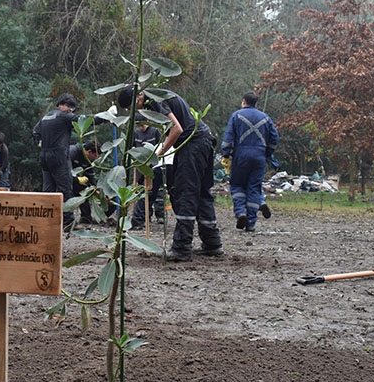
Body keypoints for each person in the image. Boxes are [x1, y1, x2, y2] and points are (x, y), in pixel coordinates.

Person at [118, 86, 223, 262]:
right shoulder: (157, 94)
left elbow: (177, 129)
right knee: (202, 193)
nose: (135, 111)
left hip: (193, 144)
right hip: (203, 141)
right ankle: (212, 243)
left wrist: (158, 155)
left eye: (132, 107)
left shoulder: (155, 99)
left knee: (186, 192)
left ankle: (182, 247)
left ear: (138, 98)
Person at [33, 93, 112, 231]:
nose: (70, 110)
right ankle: (68, 223)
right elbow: (83, 121)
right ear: (61, 105)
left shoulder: (46, 117)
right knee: (65, 189)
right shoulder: (63, 116)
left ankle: (47, 221)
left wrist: (41, 142)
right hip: (59, 156)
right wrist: (105, 116)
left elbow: (35, 132)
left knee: (48, 191)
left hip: (44, 157)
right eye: (69, 107)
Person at [221, 91, 279, 232]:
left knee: (236, 185)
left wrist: (225, 154)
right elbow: (274, 138)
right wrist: (266, 153)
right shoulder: (265, 118)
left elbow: (228, 138)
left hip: (241, 156)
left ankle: (241, 212)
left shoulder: (236, 116)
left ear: (243, 102)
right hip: (259, 157)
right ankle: (251, 223)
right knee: (254, 187)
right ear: (256, 103)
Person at [131, 114, 165, 228]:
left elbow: (162, 146)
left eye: (142, 125)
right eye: (138, 126)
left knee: (156, 192)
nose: (141, 127)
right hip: (141, 165)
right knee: (143, 191)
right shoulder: (136, 134)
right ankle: (144, 216)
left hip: (155, 165)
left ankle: (159, 215)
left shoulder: (154, 131)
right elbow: (133, 148)